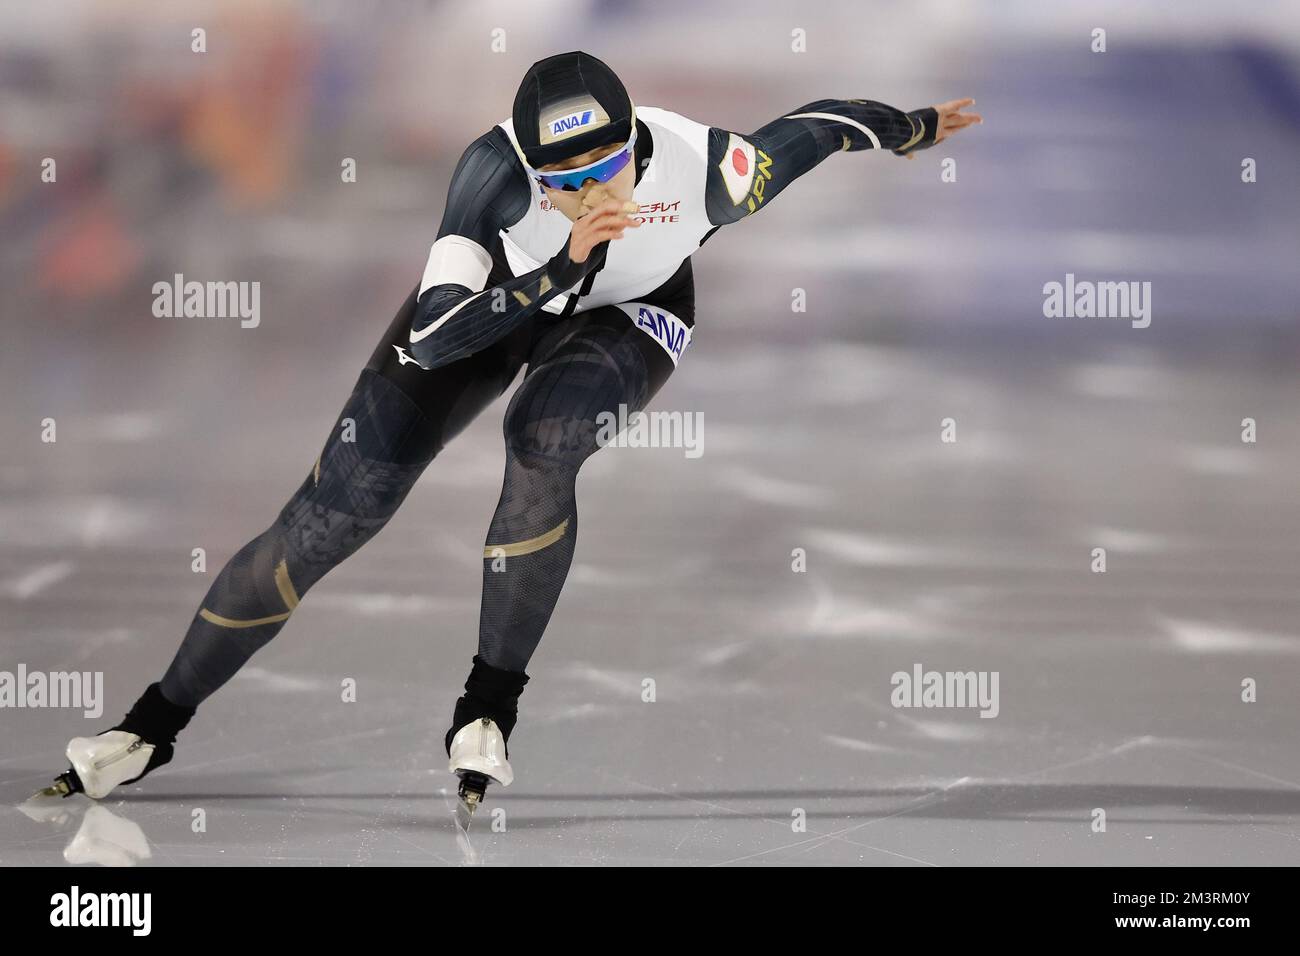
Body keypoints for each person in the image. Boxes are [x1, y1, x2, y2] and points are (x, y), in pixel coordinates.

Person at [41, 51, 981, 818]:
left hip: (630, 313)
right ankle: (150, 724)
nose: (582, 191)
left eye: (602, 171)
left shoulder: (714, 170)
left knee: (544, 440)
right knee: (331, 518)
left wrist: (912, 128)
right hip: (496, 306)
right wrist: (559, 262)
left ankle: (488, 707)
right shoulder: (490, 179)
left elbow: (821, 126)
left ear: (639, 152)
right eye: (559, 180)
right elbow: (436, 333)